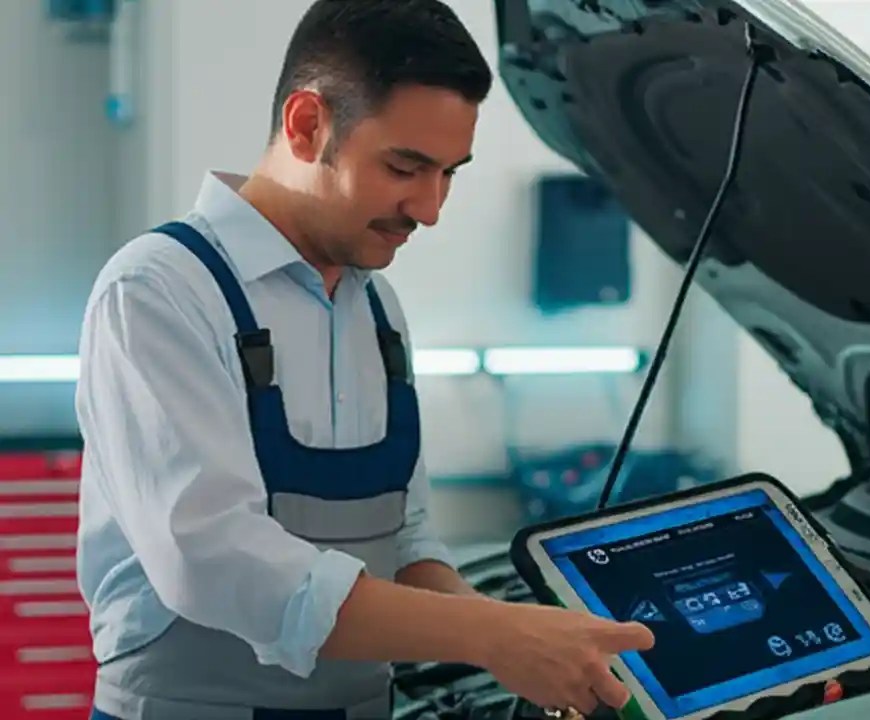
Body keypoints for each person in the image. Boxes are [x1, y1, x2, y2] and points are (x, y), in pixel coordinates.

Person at [74, 2, 653, 719]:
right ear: (307, 124)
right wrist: (497, 633)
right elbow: (211, 560)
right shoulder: (160, 291)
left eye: (450, 173)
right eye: (406, 166)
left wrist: (531, 646)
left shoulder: (378, 311)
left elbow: (405, 541)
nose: (432, 207)